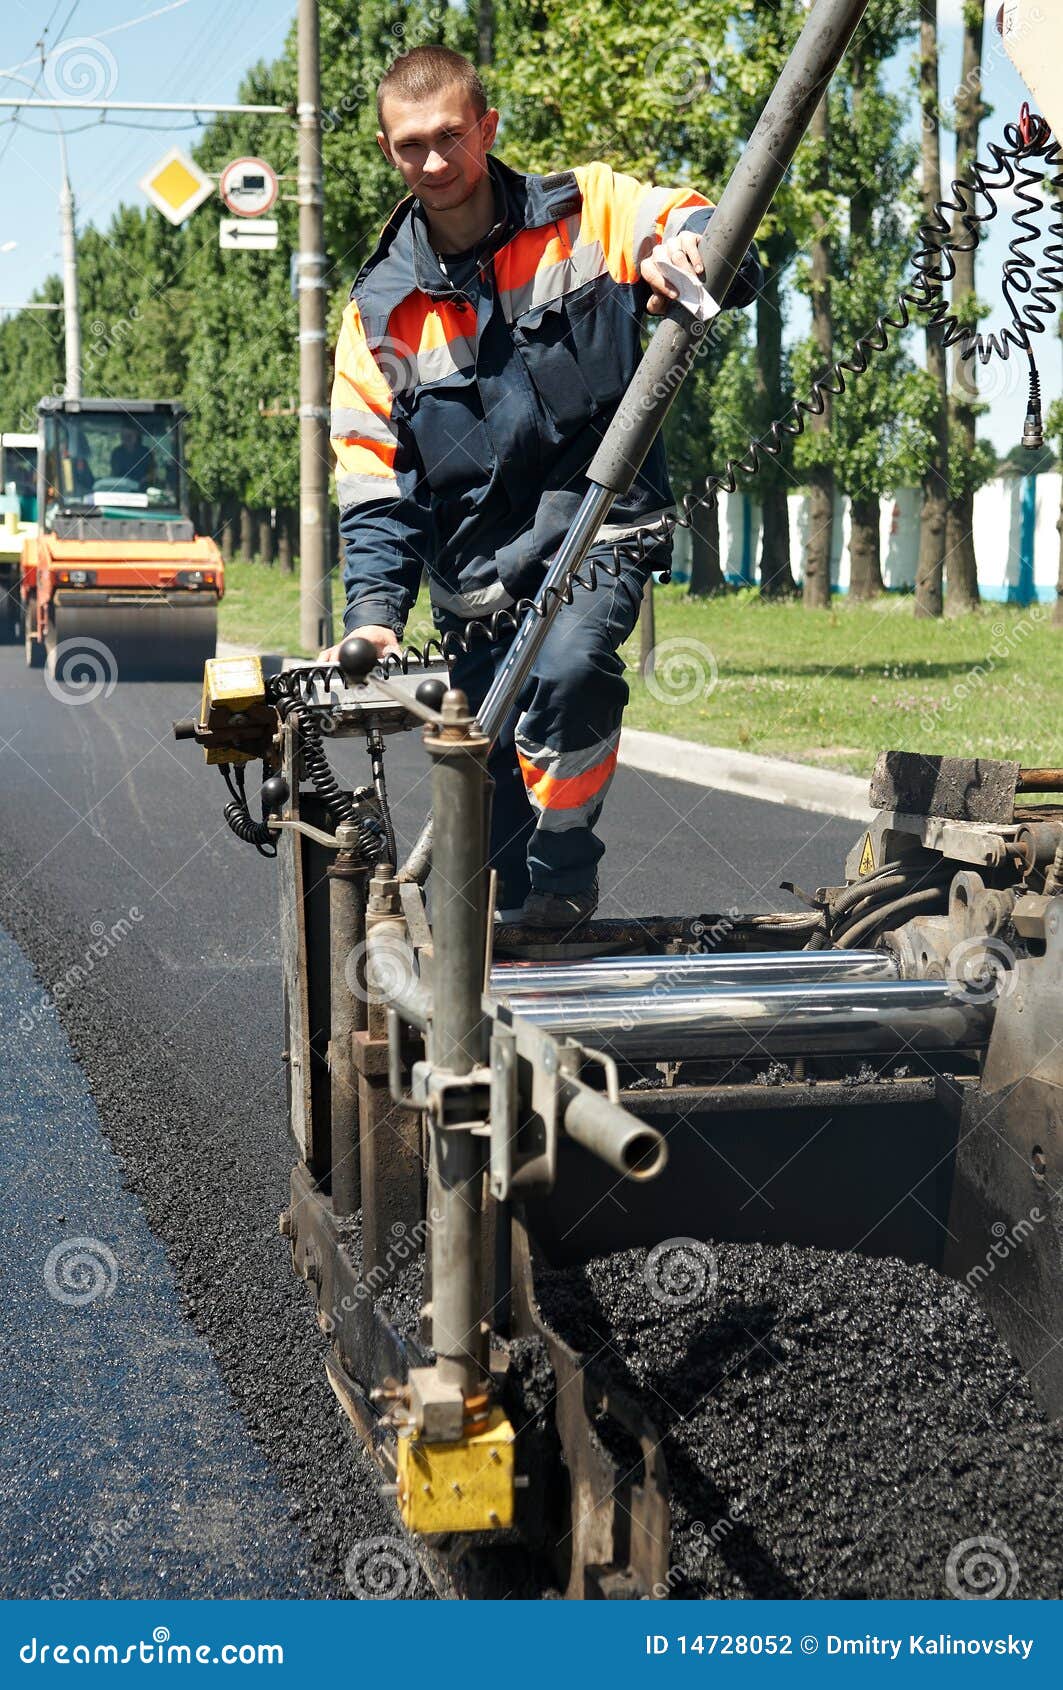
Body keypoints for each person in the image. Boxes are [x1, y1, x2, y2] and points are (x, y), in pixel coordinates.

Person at [324, 45, 759, 927]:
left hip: (601, 528)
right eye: (412, 146)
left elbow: (699, 226)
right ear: (386, 152)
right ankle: (503, 984)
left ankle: (566, 878)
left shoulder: (586, 209)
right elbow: (376, 485)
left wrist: (690, 247)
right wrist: (372, 614)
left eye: (451, 135)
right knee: (483, 868)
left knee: (566, 671)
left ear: (487, 128)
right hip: (477, 585)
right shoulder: (377, 318)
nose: (435, 162)